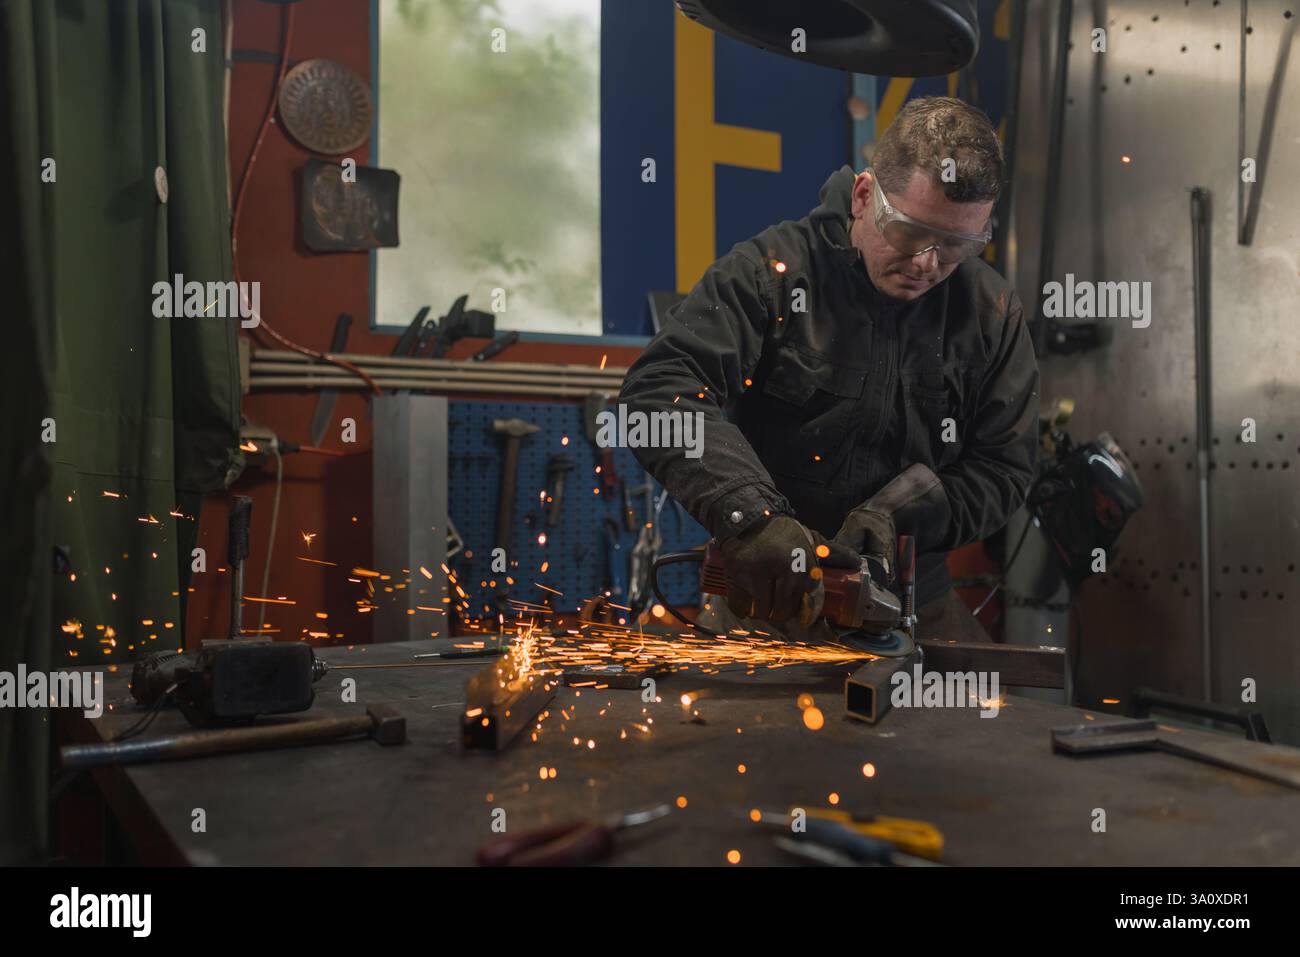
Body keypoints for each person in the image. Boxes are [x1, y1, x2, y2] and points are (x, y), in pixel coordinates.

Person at [620, 96, 1039, 643]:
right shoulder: (771, 273)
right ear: (865, 196)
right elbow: (658, 392)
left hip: (910, 597)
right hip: (767, 592)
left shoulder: (990, 312)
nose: (927, 265)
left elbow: (1005, 468)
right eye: (911, 233)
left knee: (976, 721)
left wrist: (902, 512)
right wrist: (752, 518)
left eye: (957, 245)